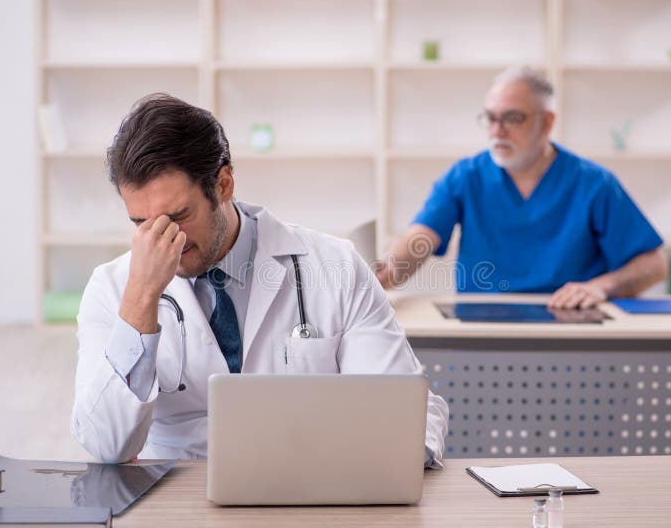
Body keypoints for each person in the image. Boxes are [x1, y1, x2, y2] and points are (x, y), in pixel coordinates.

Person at [71, 94, 448, 467]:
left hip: (308, 486)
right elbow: (107, 444)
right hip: (174, 500)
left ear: (223, 184)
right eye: (141, 223)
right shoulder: (113, 288)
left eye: (179, 215)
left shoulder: (336, 266)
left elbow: (406, 411)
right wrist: (141, 298)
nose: (164, 237)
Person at [375, 66, 668, 309]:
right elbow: (420, 238)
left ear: (547, 122)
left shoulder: (593, 183)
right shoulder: (466, 176)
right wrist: (382, 274)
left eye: (512, 118)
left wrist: (601, 287)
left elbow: (654, 265)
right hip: (480, 330)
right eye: (490, 118)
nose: (497, 130)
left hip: (571, 326)